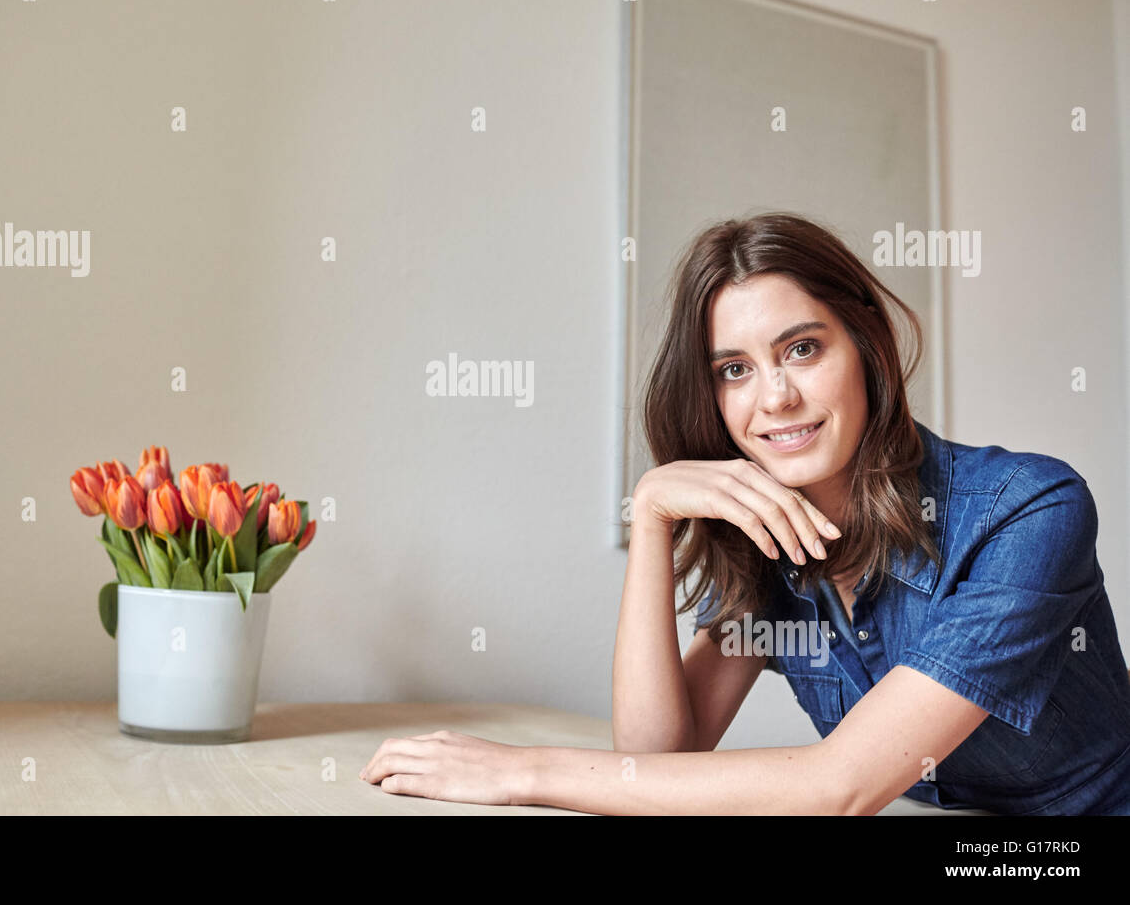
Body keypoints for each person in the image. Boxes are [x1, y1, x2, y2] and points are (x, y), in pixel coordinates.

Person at [359, 212, 1130, 814]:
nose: (776, 398)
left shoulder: (1029, 511)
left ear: (865, 345)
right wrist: (653, 512)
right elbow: (660, 754)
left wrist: (524, 770)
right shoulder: (773, 548)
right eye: (735, 369)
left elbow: (841, 788)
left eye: (801, 349)